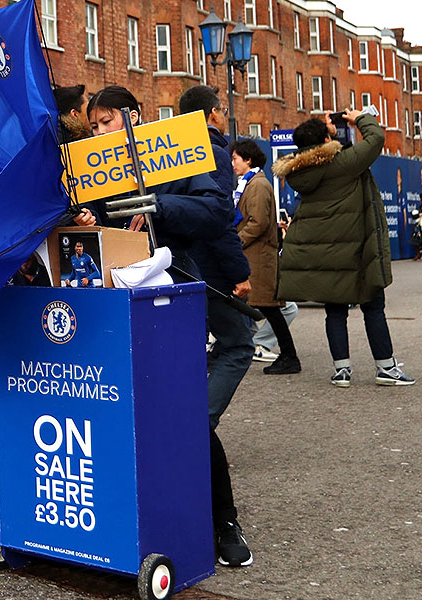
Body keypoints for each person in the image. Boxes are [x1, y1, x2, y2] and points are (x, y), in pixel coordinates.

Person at [78, 85, 252, 568]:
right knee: (123, 412)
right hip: (113, 298)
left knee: (185, 411)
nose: (99, 132)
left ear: (133, 117)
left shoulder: (176, 151)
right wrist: (89, 217)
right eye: (93, 126)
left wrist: (156, 204)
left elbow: (217, 212)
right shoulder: (92, 168)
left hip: (171, 295)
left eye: (107, 121)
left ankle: (224, 520)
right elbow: (93, 225)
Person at [274, 110, 414, 387]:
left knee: (335, 310)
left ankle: (341, 370)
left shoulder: (302, 171)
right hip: (355, 250)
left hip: (326, 254)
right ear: (326, 141)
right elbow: (375, 138)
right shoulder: (342, 164)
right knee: (373, 305)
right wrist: (359, 118)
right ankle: (386, 367)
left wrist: (328, 129)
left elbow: (340, 149)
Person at [177, 85, 255, 435]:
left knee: (193, 347)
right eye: (222, 110)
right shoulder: (213, 152)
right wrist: (239, 273)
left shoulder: (171, 152)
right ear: (212, 114)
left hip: (178, 264)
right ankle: (197, 427)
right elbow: (219, 219)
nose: (224, 116)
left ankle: (186, 419)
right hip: (212, 270)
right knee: (238, 346)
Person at [231, 139, 300, 375]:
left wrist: (235, 242)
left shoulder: (258, 185)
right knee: (256, 306)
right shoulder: (251, 183)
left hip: (258, 257)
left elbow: (258, 223)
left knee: (268, 308)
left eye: (235, 159)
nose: (232, 164)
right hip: (254, 255)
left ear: (248, 159)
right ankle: (284, 355)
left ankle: (289, 356)